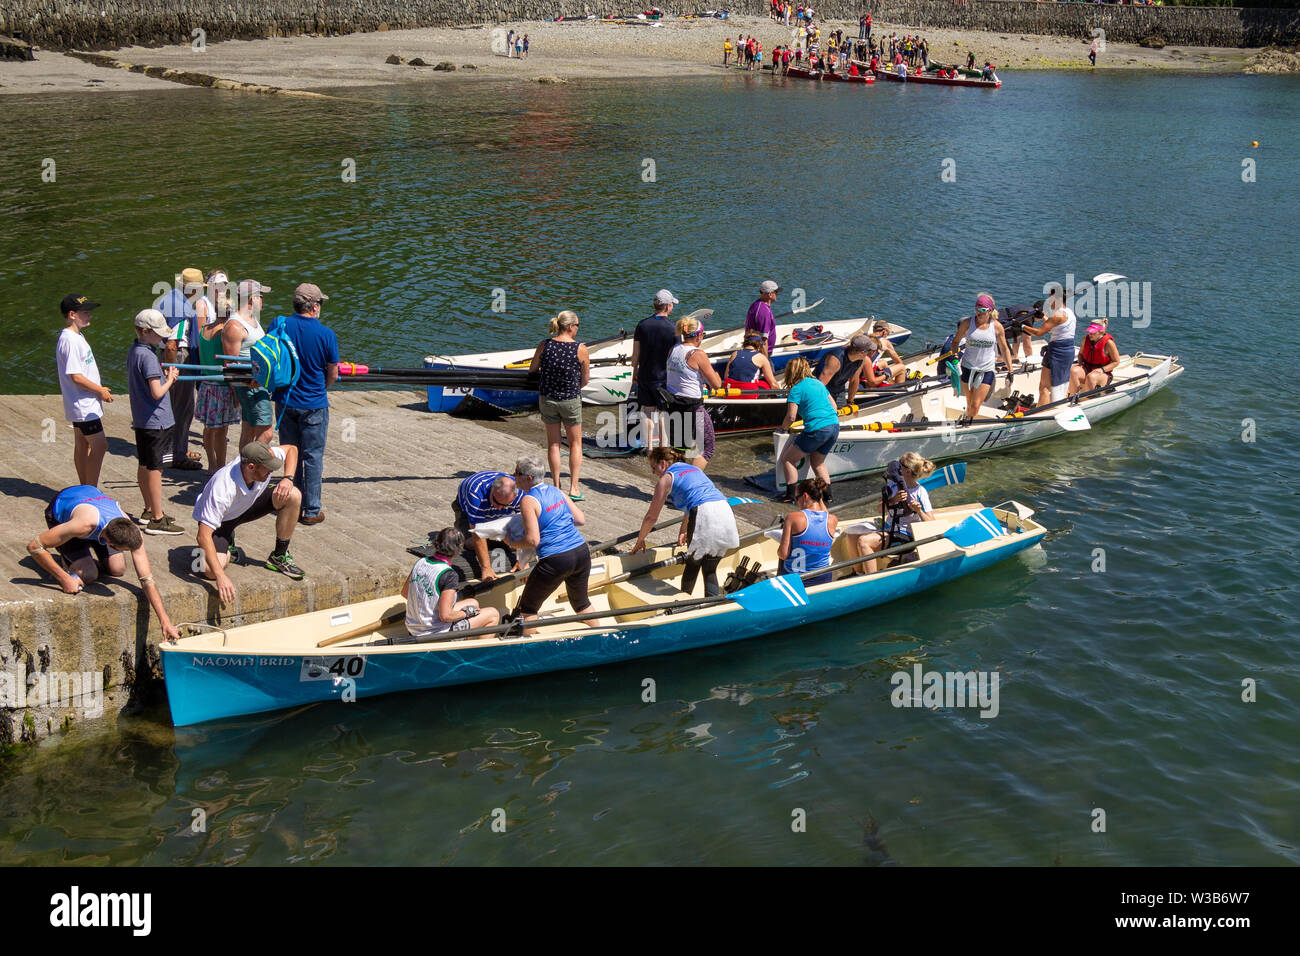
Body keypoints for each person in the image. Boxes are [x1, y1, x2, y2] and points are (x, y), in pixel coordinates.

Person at [28, 485, 180, 640]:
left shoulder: (133, 531)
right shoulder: (82, 525)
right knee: (88, 573)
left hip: (91, 501)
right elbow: (35, 546)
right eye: (124, 550)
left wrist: (165, 622)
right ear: (109, 542)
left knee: (118, 568)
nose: (129, 552)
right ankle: (71, 559)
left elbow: (147, 579)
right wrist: (63, 578)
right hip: (64, 510)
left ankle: (82, 556)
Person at [193, 440, 304, 603]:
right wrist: (221, 576)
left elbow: (292, 448)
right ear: (251, 467)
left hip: (248, 504)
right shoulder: (222, 489)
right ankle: (227, 545)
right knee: (209, 571)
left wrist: (288, 478)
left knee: (293, 494)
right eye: (268, 467)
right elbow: (202, 536)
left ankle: (279, 556)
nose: (272, 470)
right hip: (222, 521)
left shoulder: (261, 458)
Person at [631, 447, 739, 598]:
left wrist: (641, 539)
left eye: (653, 467)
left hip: (704, 512)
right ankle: (711, 606)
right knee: (710, 569)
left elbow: (651, 517)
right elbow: (694, 501)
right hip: (724, 509)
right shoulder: (694, 470)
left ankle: (682, 600)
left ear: (663, 463)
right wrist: (684, 530)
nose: (652, 472)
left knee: (693, 563)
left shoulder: (666, 479)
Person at [506, 456, 596, 633]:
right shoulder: (556, 491)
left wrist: (511, 542)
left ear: (528, 478)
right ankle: (603, 634)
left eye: (517, 473)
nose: (513, 476)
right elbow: (580, 519)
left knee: (528, 609)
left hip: (556, 559)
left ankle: (529, 649)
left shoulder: (528, 501)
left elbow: (533, 540)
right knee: (581, 603)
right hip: (581, 552)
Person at [278, 282, 339, 526]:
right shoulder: (326, 335)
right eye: (320, 303)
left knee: (290, 453)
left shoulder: (279, 324)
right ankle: (311, 510)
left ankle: (291, 500)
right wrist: (321, 388)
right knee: (312, 456)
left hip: (285, 400)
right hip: (314, 402)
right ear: (314, 307)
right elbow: (333, 372)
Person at [127, 309, 184, 535]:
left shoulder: (135, 351)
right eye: (158, 334)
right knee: (155, 469)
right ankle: (158, 520)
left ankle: (150, 510)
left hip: (142, 420)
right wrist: (170, 379)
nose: (162, 338)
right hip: (156, 422)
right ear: (145, 331)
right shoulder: (149, 357)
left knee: (145, 464)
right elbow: (157, 392)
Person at [529, 310, 590, 499]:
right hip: (570, 400)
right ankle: (574, 487)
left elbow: (533, 369)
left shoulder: (545, 345)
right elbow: (585, 379)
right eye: (578, 325)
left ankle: (556, 485)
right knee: (575, 444)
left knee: (554, 444)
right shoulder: (580, 348)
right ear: (571, 327)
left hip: (548, 398)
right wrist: (573, 387)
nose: (578, 328)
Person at [401, 528, 500, 641]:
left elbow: (405, 593)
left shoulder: (421, 562)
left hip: (413, 629)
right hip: (434, 634)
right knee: (493, 614)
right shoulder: (449, 575)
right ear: (458, 550)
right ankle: (475, 656)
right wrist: (465, 613)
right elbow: (446, 616)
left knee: (473, 603)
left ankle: (463, 646)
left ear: (436, 543)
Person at [55, 293, 111, 488]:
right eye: (85, 313)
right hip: (84, 404)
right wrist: (100, 390)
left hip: (80, 402)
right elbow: (76, 376)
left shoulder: (76, 336)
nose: (89, 316)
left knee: (83, 444)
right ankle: (91, 490)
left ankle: (84, 487)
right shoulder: (70, 340)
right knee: (100, 445)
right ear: (72, 314)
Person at [852, 453, 936, 574]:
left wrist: (919, 511)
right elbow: (880, 510)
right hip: (889, 528)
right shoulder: (891, 485)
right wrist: (893, 500)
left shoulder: (920, 492)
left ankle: (872, 580)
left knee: (864, 541)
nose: (895, 466)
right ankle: (857, 573)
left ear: (906, 471)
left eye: (899, 464)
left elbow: (932, 524)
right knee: (851, 533)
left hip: (905, 535)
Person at [156, 267, 204, 471]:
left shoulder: (168, 299)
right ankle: (178, 455)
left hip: (166, 357)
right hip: (178, 358)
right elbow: (171, 344)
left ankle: (174, 448)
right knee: (184, 409)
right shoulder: (183, 309)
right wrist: (170, 369)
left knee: (171, 406)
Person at [777, 357, 839, 502]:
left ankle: (791, 495)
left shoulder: (796, 389)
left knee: (788, 459)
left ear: (790, 372)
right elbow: (834, 407)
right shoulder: (818, 383)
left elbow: (791, 417)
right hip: (834, 426)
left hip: (817, 429)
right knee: (817, 462)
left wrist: (783, 428)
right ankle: (828, 496)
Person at [195, 275, 240, 473]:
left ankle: (212, 463)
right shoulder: (224, 333)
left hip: (206, 386)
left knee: (208, 428)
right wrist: (236, 392)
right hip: (222, 387)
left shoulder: (204, 329)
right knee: (222, 431)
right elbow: (228, 363)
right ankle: (219, 466)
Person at [222, 279, 274, 448]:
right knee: (266, 433)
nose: (263, 300)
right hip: (251, 386)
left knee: (249, 429)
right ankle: (253, 468)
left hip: (259, 382)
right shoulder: (235, 326)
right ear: (251, 299)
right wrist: (247, 384)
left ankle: (243, 470)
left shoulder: (252, 320)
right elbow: (230, 364)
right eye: (260, 296)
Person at [665, 315, 722, 468]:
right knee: (707, 449)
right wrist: (715, 374)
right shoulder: (698, 354)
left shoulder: (673, 349)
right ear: (698, 335)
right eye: (703, 335)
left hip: (672, 403)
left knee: (678, 450)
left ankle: (673, 484)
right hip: (692, 406)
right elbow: (716, 385)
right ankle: (691, 483)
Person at [953, 293, 1015, 422]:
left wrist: (1010, 370)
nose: (978, 313)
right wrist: (955, 357)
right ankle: (968, 422)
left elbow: (1004, 349)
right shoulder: (967, 323)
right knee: (970, 403)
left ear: (990, 311)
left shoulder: (997, 327)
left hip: (986, 370)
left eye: (982, 310)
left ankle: (968, 427)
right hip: (967, 368)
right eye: (976, 309)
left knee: (975, 405)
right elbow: (955, 342)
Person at [455, 467, 524, 580]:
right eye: (496, 502)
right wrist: (486, 567)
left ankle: (494, 538)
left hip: (493, 509)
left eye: (505, 505)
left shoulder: (520, 494)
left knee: (516, 542)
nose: (499, 507)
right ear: (491, 489)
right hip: (468, 507)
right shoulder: (476, 493)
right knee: (470, 544)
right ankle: (494, 539)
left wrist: (522, 559)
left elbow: (524, 524)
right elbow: (477, 533)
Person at [630, 289, 678, 448]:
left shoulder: (642, 325)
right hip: (663, 377)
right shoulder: (673, 329)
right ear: (668, 306)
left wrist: (634, 373)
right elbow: (674, 357)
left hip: (645, 374)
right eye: (672, 305)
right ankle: (664, 446)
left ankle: (648, 446)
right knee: (663, 412)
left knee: (647, 411)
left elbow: (635, 354)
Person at [1022, 284, 1078, 406]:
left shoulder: (1057, 315)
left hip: (1056, 353)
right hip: (1068, 351)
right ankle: (1057, 404)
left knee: (1044, 387)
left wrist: (1021, 326)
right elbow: (1058, 329)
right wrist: (1043, 318)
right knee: (1060, 383)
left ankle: (1041, 413)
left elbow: (1039, 333)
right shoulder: (1069, 313)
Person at [778, 476, 837, 586]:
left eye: (796, 498)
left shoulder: (792, 517)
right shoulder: (832, 520)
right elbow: (825, 513)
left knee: (782, 556)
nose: (796, 502)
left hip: (796, 580)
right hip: (823, 578)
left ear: (805, 496)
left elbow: (783, 554)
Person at [817, 333, 870, 406]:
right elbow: (819, 385)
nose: (869, 353)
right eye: (869, 351)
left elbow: (854, 380)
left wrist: (850, 401)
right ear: (862, 352)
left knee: (842, 413)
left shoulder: (860, 359)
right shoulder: (835, 359)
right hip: (824, 389)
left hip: (839, 389)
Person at [1070, 321, 1121, 395]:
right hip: (1088, 368)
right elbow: (1080, 354)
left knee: (1091, 377)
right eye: (1089, 332)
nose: (1090, 334)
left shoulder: (1109, 343)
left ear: (1101, 332)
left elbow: (1116, 362)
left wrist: (1102, 369)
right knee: (1073, 371)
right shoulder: (1086, 339)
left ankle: (1088, 399)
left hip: (1104, 373)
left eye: (1093, 332)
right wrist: (1080, 364)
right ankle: (1073, 397)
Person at [745, 279, 780, 355]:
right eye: (776, 292)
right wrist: (765, 362)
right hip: (761, 353)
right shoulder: (763, 311)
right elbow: (763, 339)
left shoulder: (757, 304)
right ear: (770, 294)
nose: (778, 294)